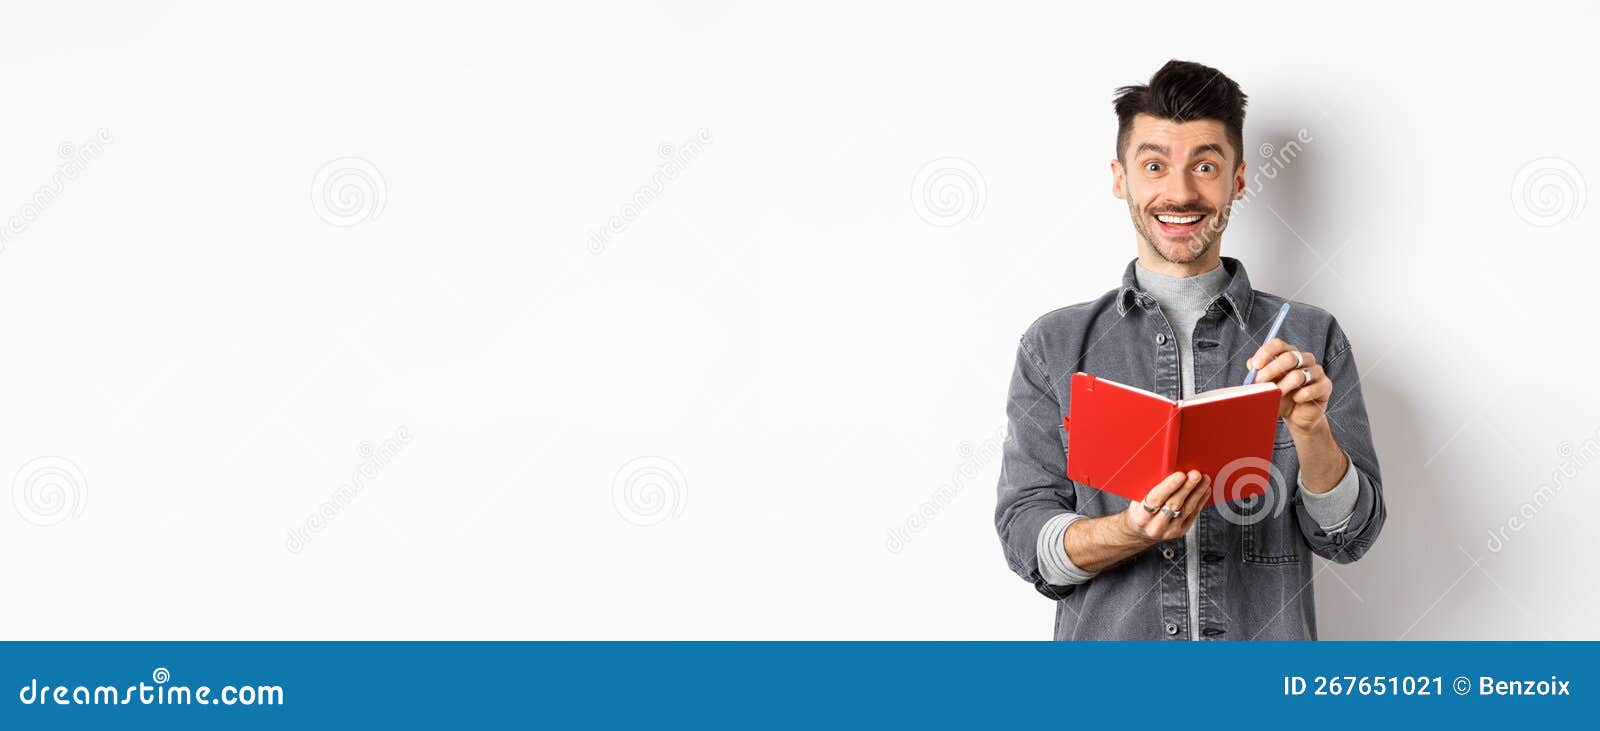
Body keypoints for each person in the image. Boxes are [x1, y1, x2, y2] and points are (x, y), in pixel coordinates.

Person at [993, 60, 1387, 640]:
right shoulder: (1052, 346)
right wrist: (1130, 530)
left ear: (1239, 179)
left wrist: (1312, 430)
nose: (1179, 192)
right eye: (1154, 165)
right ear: (1120, 178)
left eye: (1205, 166)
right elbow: (1026, 538)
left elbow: (1349, 536)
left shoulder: (1311, 337)